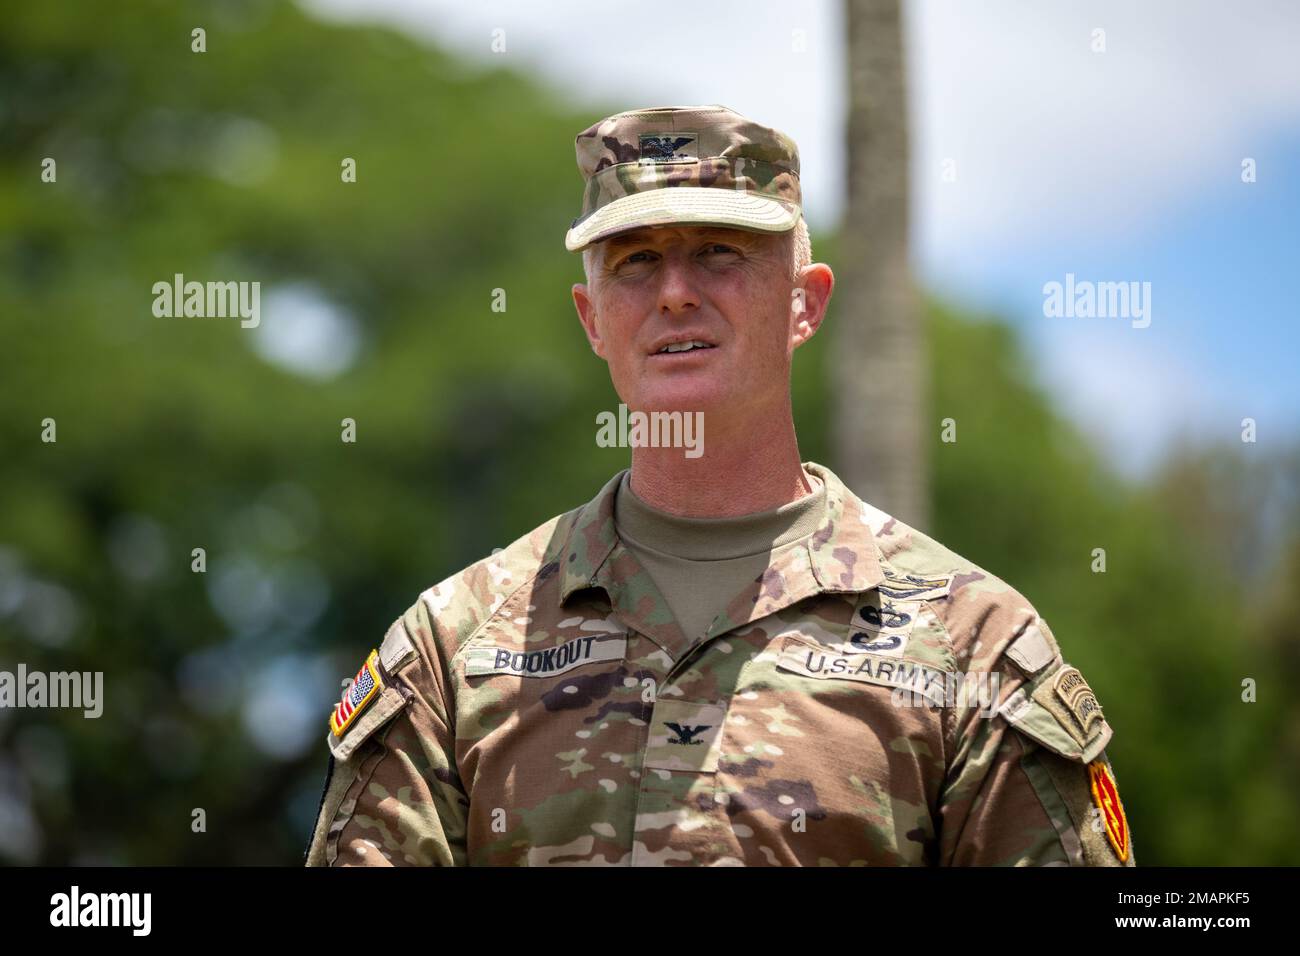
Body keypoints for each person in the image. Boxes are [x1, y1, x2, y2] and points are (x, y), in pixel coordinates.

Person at [304, 104, 1134, 867]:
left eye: (719, 253)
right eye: (634, 263)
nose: (674, 294)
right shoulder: (456, 648)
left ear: (805, 305)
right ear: (593, 320)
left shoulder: (972, 645)